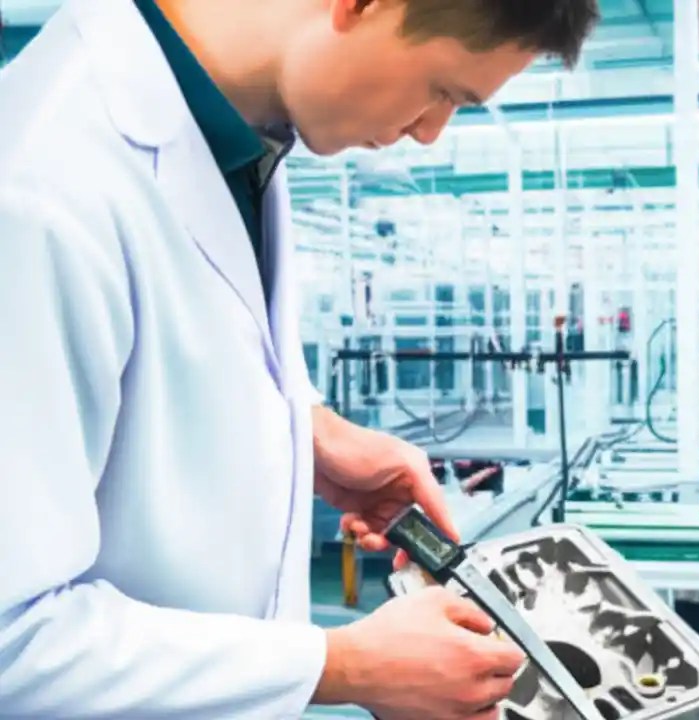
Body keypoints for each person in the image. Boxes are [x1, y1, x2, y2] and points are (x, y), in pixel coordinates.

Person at [0, 0, 598, 718]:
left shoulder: (235, 131)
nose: (432, 133)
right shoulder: (40, 186)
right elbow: (13, 641)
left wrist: (303, 432)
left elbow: (175, 347)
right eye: (443, 89)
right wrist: (341, 663)